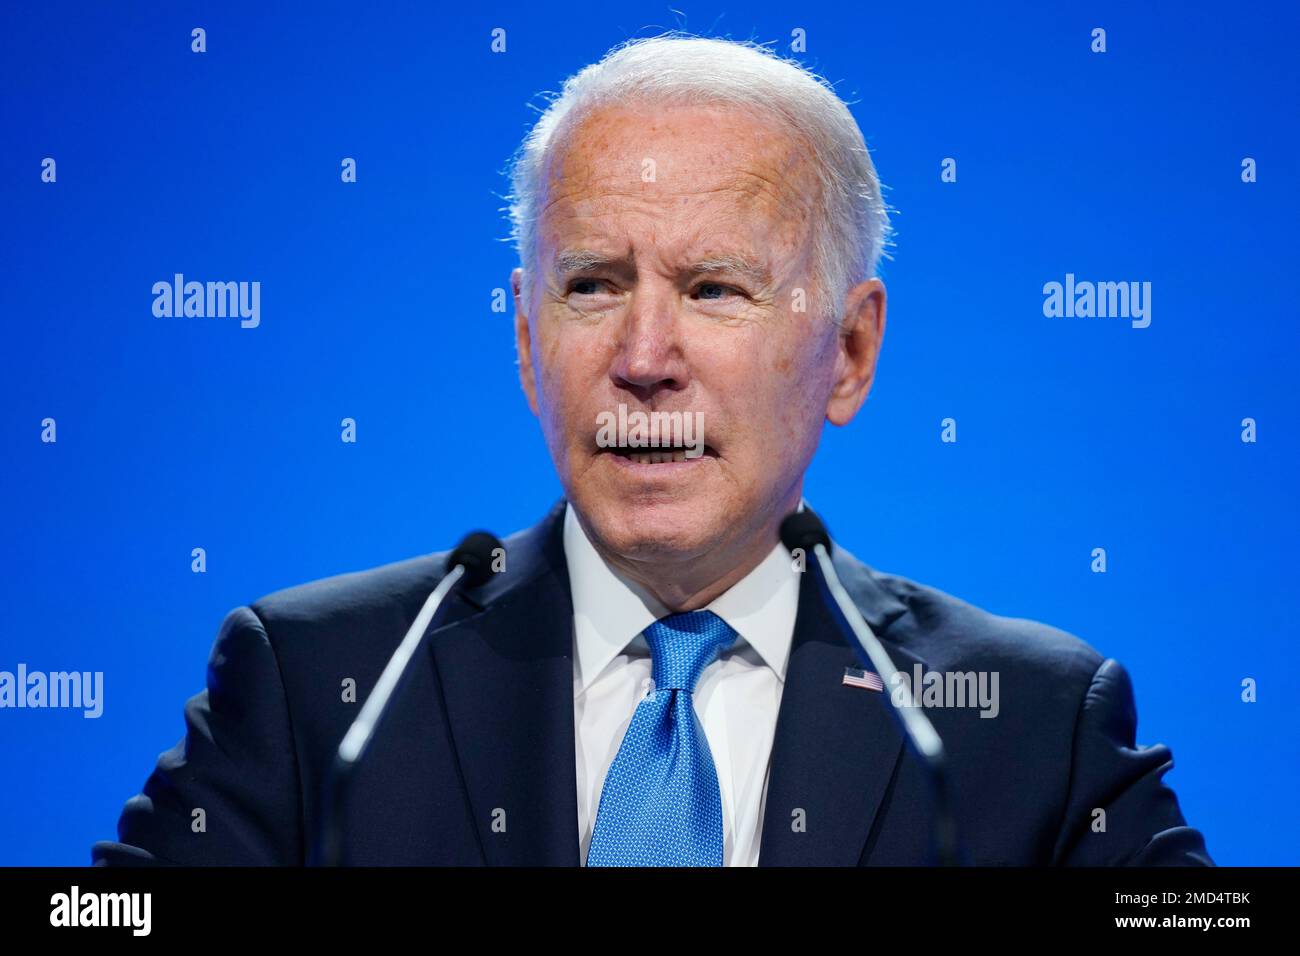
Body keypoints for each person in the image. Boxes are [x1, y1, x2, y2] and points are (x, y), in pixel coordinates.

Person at [93, 35, 1212, 867]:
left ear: (851, 351)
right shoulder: (319, 688)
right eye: (593, 285)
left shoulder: (1025, 722)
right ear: (530, 342)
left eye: (713, 287)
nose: (643, 355)